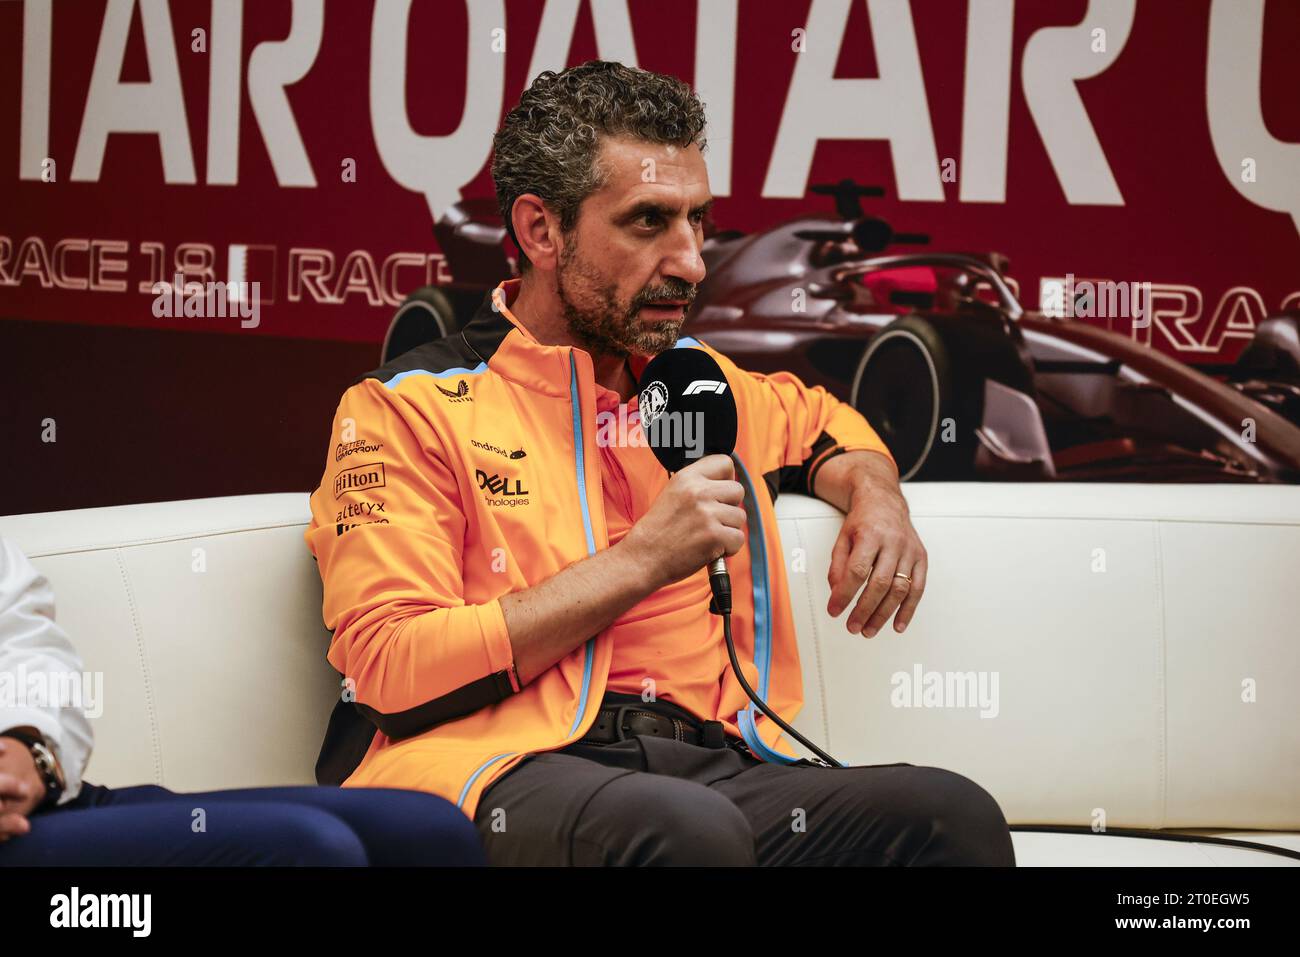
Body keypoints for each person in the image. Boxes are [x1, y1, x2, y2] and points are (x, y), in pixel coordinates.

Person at [306, 60, 1015, 866]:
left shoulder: (697, 380)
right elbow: (390, 669)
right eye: (649, 222)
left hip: (710, 765)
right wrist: (640, 561)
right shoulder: (407, 404)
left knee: (949, 817)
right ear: (542, 231)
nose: (691, 262)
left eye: (698, 221)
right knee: (682, 831)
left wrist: (878, 495)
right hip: (490, 768)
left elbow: (828, 425)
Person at [0, 537, 484, 866]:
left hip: (49, 798)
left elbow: (19, 637)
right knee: (310, 850)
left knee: (429, 832)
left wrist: (31, 745)